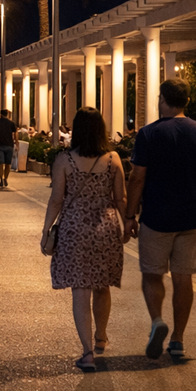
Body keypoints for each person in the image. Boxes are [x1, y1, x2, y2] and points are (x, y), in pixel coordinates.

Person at [123, 79, 196, 361]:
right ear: (187, 101)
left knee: (152, 274)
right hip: (192, 216)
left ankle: (156, 321)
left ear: (162, 99)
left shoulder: (149, 134)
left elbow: (137, 176)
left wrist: (130, 215)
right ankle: (177, 339)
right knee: (183, 277)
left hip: (157, 216)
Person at [41, 107, 128, 373]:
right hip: (105, 227)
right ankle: (101, 336)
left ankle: (87, 352)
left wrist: (46, 231)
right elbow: (121, 197)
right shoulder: (113, 159)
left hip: (74, 230)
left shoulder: (64, 160)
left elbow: (57, 199)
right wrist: (128, 224)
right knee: (102, 286)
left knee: (81, 290)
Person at [0, 109, 19, 188]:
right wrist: (17, 143)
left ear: (0, 114)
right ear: (7, 115)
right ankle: (5, 178)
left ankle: (1, 180)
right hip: (9, 145)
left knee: (0, 164)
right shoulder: (11, 123)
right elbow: (15, 133)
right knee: (8, 164)